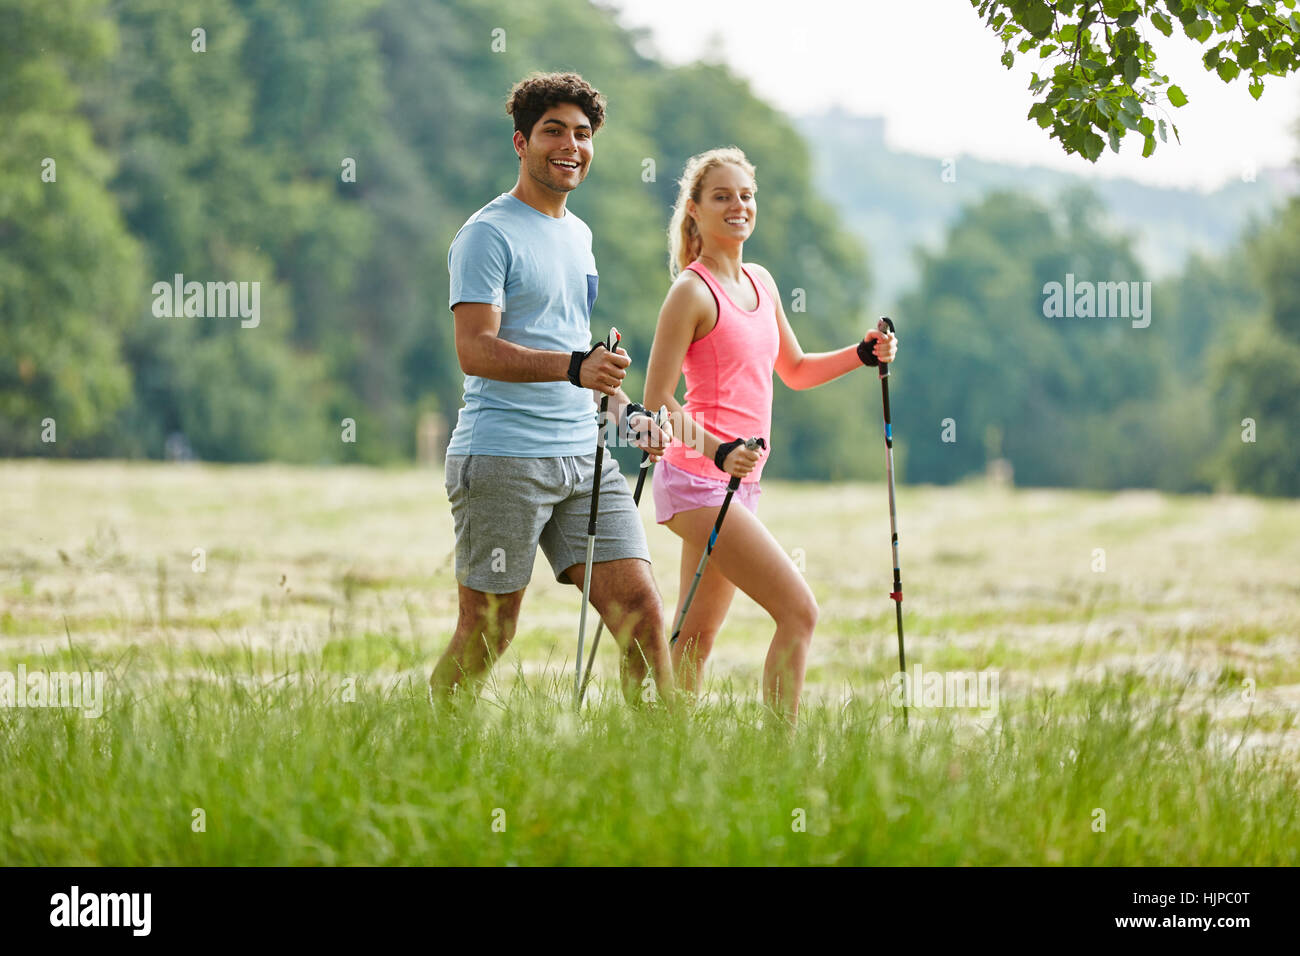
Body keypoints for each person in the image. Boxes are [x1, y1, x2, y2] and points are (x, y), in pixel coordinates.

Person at [429, 72, 674, 706]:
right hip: (504, 456)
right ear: (521, 142)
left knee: (643, 616)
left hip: (584, 457)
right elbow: (475, 349)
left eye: (583, 134)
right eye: (554, 131)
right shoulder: (487, 233)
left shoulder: (580, 235)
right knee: (489, 633)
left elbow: (580, 355)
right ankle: (426, 748)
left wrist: (627, 414)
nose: (570, 145)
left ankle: (662, 765)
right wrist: (573, 366)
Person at [642, 146, 898, 724]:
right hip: (696, 480)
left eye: (747, 195)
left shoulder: (761, 281)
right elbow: (656, 400)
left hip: (740, 483)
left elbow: (797, 369)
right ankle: (779, 761)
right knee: (799, 612)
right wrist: (720, 449)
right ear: (695, 212)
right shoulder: (691, 291)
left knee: (695, 637)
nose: (739, 206)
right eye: (722, 196)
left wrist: (861, 355)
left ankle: (662, 750)